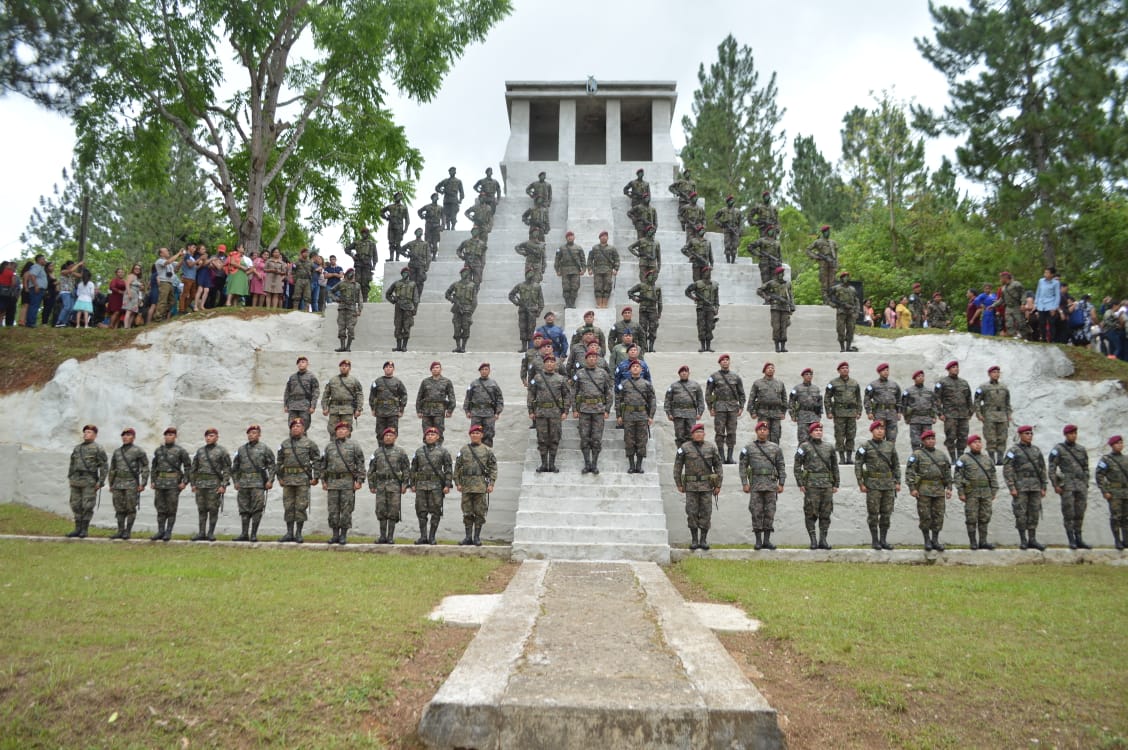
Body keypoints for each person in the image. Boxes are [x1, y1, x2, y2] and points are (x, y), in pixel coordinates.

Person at [674, 423, 723, 551]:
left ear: (704, 434)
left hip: (707, 487)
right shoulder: (684, 448)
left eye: (701, 432)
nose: (699, 434)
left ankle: (703, 540)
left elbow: (718, 466)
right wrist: (678, 483)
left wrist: (718, 484)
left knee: (706, 513)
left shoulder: (711, 447)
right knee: (691, 513)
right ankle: (694, 540)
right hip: (690, 487)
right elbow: (677, 467)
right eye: (696, 432)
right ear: (692, 434)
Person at [740, 421, 787, 550]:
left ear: (768, 432)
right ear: (756, 431)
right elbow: (743, 466)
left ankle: (767, 541)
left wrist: (781, 483)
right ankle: (758, 541)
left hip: (771, 485)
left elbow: (781, 466)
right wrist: (745, 483)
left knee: (770, 513)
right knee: (756, 512)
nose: (762, 431)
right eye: (760, 429)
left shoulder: (775, 448)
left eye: (765, 430)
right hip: (755, 485)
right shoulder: (748, 448)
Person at [274, 418, 320, 543]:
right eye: (293, 426)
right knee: (288, 506)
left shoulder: (309, 444)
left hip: (302, 479)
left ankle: (298, 533)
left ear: (303, 429)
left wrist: (316, 477)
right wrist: (280, 477)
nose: (295, 428)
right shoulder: (284, 444)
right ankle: (289, 533)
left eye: (298, 426)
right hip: (288, 479)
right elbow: (279, 462)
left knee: (300, 506)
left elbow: (316, 460)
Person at [794, 422, 839, 550]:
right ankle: (813, 540)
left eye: (820, 430)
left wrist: (836, 483)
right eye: (816, 430)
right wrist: (800, 483)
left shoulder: (829, 447)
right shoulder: (804, 447)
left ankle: (823, 540)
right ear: (811, 432)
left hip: (826, 485)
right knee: (810, 513)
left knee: (826, 513)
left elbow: (834, 466)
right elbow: (797, 465)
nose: (818, 432)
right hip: (811, 485)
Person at [906, 429, 952, 551]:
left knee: (938, 515)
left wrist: (949, 488)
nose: (931, 441)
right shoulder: (917, 455)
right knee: (925, 515)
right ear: (923, 441)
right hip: (924, 489)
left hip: (939, 490)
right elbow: (910, 472)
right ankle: (927, 540)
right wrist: (912, 488)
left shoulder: (942, 455)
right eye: (928, 439)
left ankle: (935, 540)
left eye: (932, 439)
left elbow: (947, 473)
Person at [1003, 425, 1048, 551]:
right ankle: (1023, 540)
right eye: (1027, 433)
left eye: (1031, 433)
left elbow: (1042, 468)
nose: (1029, 436)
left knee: (1034, 513)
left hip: (1035, 486)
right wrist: (1011, 487)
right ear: (1021, 435)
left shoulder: (1036, 450)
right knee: (1021, 513)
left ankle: (1032, 540)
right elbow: (1008, 470)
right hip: (1020, 486)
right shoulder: (1013, 451)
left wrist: (1044, 486)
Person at [319, 421, 364, 545]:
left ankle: (343, 535)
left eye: (344, 429)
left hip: (347, 482)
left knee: (346, 509)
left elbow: (360, 464)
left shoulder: (354, 446)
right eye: (339, 430)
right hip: (332, 482)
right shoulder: (329, 447)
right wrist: (323, 481)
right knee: (333, 510)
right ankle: (334, 535)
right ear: (335, 432)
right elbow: (323, 465)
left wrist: (359, 481)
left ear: (348, 432)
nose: (341, 431)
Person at [1048, 424, 1092, 549]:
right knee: (1069, 513)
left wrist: (1086, 482)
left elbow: (1085, 467)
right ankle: (1071, 539)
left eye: (1075, 433)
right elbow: (1052, 468)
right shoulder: (1059, 449)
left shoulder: (1081, 449)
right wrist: (1055, 484)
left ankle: (1079, 538)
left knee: (1080, 512)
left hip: (1080, 485)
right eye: (1071, 433)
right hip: (1067, 486)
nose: (1074, 436)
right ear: (1066, 435)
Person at [454, 425, 497, 546]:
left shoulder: (487, 451)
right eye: (473, 433)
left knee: (479, 512)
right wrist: (457, 483)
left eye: (477, 433)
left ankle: (477, 537)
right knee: (467, 512)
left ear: (482, 435)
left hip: (480, 485)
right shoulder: (463, 450)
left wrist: (491, 483)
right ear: (470, 435)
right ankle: (468, 537)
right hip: (466, 485)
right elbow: (457, 467)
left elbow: (493, 468)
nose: (475, 435)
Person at [528, 354, 572, 473]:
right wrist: (531, 410)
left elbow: (567, 395)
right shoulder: (537, 378)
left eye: (552, 362)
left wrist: (565, 411)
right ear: (544, 364)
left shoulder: (561, 379)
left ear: (555, 364)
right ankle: (543, 464)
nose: (549, 364)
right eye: (547, 362)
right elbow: (531, 394)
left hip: (555, 413)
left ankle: (551, 464)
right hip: (541, 413)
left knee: (554, 438)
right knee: (542, 439)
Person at [573, 349, 614, 474]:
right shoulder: (579, 374)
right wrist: (575, 409)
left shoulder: (603, 373)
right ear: (586, 359)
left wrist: (607, 409)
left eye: (594, 357)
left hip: (598, 410)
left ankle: (594, 464)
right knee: (585, 438)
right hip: (584, 410)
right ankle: (587, 464)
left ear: (597, 359)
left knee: (596, 438)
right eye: (589, 357)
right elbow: (573, 392)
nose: (592, 359)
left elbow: (608, 392)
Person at [366, 426, 410, 544]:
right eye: (386, 435)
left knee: (393, 511)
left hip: (395, 486)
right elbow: (371, 470)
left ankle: (390, 537)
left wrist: (405, 484)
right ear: (383, 437)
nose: (388, 437)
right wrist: (371, 485)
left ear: (395, 438)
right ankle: (382, 536)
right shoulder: (377, 452)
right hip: (381, 486)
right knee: (381, 511)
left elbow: (406, 469)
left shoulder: (400, 452)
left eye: (391, 435)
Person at [231, 424, 275, 542]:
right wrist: (235, 481)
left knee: (257, 509)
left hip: (258, 483)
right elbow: (235, 467)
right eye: (249, 433)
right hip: (244, 483)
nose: (251, 435)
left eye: (254, 433)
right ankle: (244, 533)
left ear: (259, 435)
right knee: (244, 509)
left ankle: (254, 534)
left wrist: (270, 480)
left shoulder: (264, 448)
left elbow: (272, 466)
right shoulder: (241, 449)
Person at [953, 434, 998, 550]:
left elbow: (993, 476)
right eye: (974, 442)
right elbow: (958, 476)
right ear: (969, 445)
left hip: (986, 493)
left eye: (979, 442)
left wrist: (994, 491)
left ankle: (983, 541)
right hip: (971, 493)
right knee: (971, 518)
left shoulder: (987, 459)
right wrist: (961, 492)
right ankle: (973, 542)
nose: (978, 444)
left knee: (985, 517)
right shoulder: (963, 459)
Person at [411, 426, 453, 544]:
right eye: (428, 435)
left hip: (436, 486)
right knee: (421, 511)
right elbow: (413, 469)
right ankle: (423, 536)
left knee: (436, 511)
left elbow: (448, 469)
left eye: (433, 435)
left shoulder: (443, 452)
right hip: (421, 485)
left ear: (438, 437)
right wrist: (412, 484)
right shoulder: (419, 451)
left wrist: (447, 485)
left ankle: (432, 537)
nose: (430, 436)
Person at [149, 427, 192, 541]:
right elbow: (154, 467)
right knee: (160, 509)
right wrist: (153, 480)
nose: (168, 437)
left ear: (175, 437)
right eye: (167, 435)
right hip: (160, 484)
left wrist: (185, 482)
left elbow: (188, 467)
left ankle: (168, 532)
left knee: (171, 509)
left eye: (171, 435)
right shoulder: (158, 451)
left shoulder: (180, 451)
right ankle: (160, 531)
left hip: (173, 484)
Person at [66, 424, 109, 538]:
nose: (86, 434)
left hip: (89, 480)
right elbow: (72, 464)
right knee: (75, 504)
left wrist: (100, 481)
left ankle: (84, 529)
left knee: (87, 505)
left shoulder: (98, 448)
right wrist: (70, 477)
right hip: (76, 480)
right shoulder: (77, 448)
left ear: (95, 435)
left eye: (89, 432)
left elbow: (104, 466)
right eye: (85, 432)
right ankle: (77, 528)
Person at [189, 427, 231, 542]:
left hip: (214, 484)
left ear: (217, 437)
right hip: (201, 485)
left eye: (211, 436)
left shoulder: (222, 451)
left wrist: (223, 485)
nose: (208, 438)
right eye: (207, 436)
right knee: (201, 509)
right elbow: (194, 468)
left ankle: (210, 533)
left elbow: (227, 469)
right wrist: (193, 483)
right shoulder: (200, 451)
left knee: (213, 509)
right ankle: (201, 532)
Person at [107, 427, 149, 541]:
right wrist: (110, 483)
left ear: (133, 437)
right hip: (118, 483)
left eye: (128, 435)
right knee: (119, 508)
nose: (125, 437)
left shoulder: (138, 451)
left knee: (130, 508)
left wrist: (143, 483)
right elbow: (112, 468)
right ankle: (120, 530)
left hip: (131, 483)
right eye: (124, 435)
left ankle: (128, 531)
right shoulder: (117, 452)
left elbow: (145, 467)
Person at [616, 359, 656, 474]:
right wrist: (619, 415)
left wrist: (651, 416)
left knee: (642, 440)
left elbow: (652, 400)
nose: (635, 368)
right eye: (633, 367)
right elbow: (618, 399)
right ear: (629, 370)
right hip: (628, 415)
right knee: (629, 440)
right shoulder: (623, 384)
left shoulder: (647, 384)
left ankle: (639, 465)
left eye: (637, 367)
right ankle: (631, 465)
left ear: (641, 369)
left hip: (642, 415)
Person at [706, 354, 745, 464]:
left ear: (729, 362)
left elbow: (741, 393)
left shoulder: (736, 377)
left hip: (733, 408)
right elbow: (708, 393)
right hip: (719, 407)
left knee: (732, 432)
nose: (725, 362)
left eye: (727, 360)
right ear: (720, 363)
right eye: (723, 360)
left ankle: (730, 457)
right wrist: (710, 407)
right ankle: (721, 457)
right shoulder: (713, 377)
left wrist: (741, 406)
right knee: (719, 432)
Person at [973, 365, 1012, 465]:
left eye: (998, 372)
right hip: (989, 415)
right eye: (994, 372)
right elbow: (977, 401)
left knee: (1002, 437)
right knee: (991, 438)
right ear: (989, 374)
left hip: (1002, 416)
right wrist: (979, 414)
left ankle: (1000, 458)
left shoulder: (1004, 387)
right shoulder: (983, 387)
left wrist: (1009, 414)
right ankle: (991, 458)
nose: (996, 374)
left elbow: (1007, 402)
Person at [825, 361, 862, 464]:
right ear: (838, 371)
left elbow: (858, 398)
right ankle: (841, 457)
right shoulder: (833, 383)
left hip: (851, 413)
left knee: (851, 435)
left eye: (846, 368)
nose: (845, 370)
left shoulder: (854, 383)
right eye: (842, 368)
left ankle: (849, 457)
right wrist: (828, 411)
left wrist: (859, 411)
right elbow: (827, 397)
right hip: (839, 413)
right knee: (840, 435)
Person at [935, 360, 974, 458]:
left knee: (963, 437)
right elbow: (937, 399)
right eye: (953, 367)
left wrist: (970, 412)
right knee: (951, 436)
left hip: (963, 415)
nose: (956, 369)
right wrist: (939, 413)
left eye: (957, 367)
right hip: (950, 415)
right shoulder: (942, 383)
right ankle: (953, 458)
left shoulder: (964, 383)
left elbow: (969, 398)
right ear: (948, 370)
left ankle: (960, 456)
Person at [1096, 435, 1128, 550]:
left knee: (1126, 517)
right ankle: (1117, 540)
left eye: (1121, 443)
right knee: (1116, 517)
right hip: (1114, 493)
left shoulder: (1126, 459)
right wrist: (1105, 491)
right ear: (1112, 445)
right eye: (1117, 443)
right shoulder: (1106, 460)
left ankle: (1126, 540)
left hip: (1126, 492)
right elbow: (1099, 476)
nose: (1119, 445)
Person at [464, 362, 505, 448]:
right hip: (476, 413)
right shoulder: (474, 383)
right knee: (475, 434)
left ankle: (487, 454)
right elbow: (468, 397)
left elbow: (499, 399)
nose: (484, 371)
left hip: (489, 414)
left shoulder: (493, 383)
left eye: (486, 369)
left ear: (489, 371)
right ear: (479, 371)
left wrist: (497, 412)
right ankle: (476, 454)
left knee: (489, 434)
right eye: (482, 369)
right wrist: (467, 411)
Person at [321, 358, 364, 438]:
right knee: (333, 430)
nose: (344, 367)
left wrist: (358, 409)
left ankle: (346, 449)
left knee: (346, 430)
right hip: (334, 409)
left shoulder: (354, 380)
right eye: (342, 366)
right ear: (339, 367)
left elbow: (359, 395)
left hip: (347, 410)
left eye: (346, 366)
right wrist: (324, 408)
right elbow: (326, 395)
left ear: (349, 368)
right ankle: (334, 448)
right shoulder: (333, 380)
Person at [665, 365, 705, 448]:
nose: (683, 373)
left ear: (688, 373)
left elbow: (700, 400)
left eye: (685, 372)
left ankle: (690, 454)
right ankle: (681, 453)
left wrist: (700, 412)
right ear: (679, 374)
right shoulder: (673, 386)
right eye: (682, 372)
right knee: (679, 435)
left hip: (691, 413)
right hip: (678, 414)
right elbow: (667, 400)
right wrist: (668, 413)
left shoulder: (695, 385)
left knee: (691, 434)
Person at [747, 362, 787, 445]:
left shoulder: (780, 383)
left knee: (776, 435)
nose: (771, 369)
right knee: (763, 434)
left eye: (772, 368)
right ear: (764, 370)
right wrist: (752, 412)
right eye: (768, 368)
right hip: (763, 413)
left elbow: (784, 398)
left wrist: (783, 412)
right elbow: (751, 398)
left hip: (776, 413)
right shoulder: (758, 383)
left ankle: (774, 454)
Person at [757, 265, 794, 353]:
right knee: (776, 327)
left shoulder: (787, 283)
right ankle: (777, 346)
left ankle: (783, 346)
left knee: (784, 327)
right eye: (779, 273)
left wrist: (792, 306)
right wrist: (767, 298)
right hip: (775, 307)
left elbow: (791, 295)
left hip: (785, 307)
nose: (781, 275)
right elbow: (759, 290)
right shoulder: (771, 283)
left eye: (782, 273)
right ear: (776, 274)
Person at [417, 360, 456, 444]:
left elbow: (451, 397)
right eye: (433, 368)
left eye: (437, 367)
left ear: (441, 369)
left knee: (439, 432)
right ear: (431, 370)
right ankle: (427, 452)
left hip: (439, 412)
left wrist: (450, 410)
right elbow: (419, 396)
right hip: (426, 412)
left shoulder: (447, 382)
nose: (435, 369)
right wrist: (419, 411)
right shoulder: (425, 382)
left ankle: (439, 451)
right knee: (427, 432)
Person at [369, 360, 409, 437]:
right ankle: (381, 449)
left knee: (392, 433)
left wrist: (401, 409)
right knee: (380, 433)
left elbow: (404, 395)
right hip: (380, 412)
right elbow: (372, 395)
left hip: (393, 412)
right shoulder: (377, 381)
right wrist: (373, 409)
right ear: (383, 369)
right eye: (386, 367)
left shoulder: (398, 382)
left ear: (393, 369)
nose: (388, 368)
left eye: (390, 367)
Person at [627, 268, 663, 353]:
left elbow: (660, 302)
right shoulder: (641, 286)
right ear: (647, 277)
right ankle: (644, 347)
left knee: (653, 329)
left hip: (653, 311)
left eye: (653, 276)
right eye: (650, 276)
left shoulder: (657, 289)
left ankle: (651, 347)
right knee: (642, 329)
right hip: (643, 310)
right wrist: (635, 299)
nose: (652, 278)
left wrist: (659, 312)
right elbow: (630, 292)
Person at [864, 363, 902, 444]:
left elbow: (899, 399)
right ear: (879, 372)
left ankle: (890, 455)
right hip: (879, 413)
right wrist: (869, 412)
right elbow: (867, 398)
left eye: (887, 370)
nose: (886, 372)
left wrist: (899, 412)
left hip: (892, 414)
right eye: (883, 370)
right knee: (879, 436)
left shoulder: (894, 385)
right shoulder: (873, 385)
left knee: (892, 437)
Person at [685, 265, 720, 353]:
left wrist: (716, 308)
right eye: (706, 272)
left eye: (709, 272)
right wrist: (694, 298)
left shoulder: (714, 285)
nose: (708, 273)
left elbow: (716, 298)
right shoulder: (697, 284)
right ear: (703, 273)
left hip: (710, 308)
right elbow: (687, 291)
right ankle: (702, 346)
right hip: (701, 308)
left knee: (709, 326)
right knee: (701, 326)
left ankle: (708, 346)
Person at [508, 270, 544, 353]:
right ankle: (524, 347)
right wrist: (516, 303)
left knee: (531, 328)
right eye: (528, 274)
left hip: (532, 311)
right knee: (523, 328)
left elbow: (541, 300)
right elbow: (511, 295)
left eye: (531, 274)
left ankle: (531, 347)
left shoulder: (537, 286)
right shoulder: (520, 285)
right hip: (523, 310)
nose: (530, 275)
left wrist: (539, 310)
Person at [445, 266, 479, 353]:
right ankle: (458, 346)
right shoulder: (455, 284)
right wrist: (453, 300)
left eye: (466, 272)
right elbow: (447, 294)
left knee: (466, 328)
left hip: (467, 310)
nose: (465, 274)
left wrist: (471, 311)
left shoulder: (472, 286)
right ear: (461, 274)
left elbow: (474, 300)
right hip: (457, 309)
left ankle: (463, 347)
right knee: (457, 327)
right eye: (463, 273)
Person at [902, 369, 937, 450]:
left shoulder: (929, 391)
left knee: (928, 441)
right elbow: (904, 405)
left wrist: (934, 416)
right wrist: (906, 418)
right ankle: (916, 457)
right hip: (914, 419)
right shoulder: (908, 391)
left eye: (922, 376)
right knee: (915, 442)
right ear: (914, 378)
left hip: (927, 419)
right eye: (918, 376)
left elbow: (934, 404)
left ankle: (927, 459)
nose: (921, 378)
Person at [284, 356, 321, 432]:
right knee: (292, 426)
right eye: (299, 362)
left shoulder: (311, 376)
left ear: (307, 364)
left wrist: (313, 406)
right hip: (293, 405)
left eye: (303, 362)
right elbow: (287, 391)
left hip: (304, 405)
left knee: (304, 426)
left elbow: (315, 392)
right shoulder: (292, 377)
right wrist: (285, 405)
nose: (301, 364)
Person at [386, 267, 418, 352]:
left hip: (408, 308)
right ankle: (398, 346)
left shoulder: (413, 284)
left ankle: (404, 346)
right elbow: (388, 294)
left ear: (409, 274)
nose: (405, 274)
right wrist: (393, 301)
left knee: (407, 327)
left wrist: (415, 310)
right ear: (401, 274)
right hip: (399, 307)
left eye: (406, 273)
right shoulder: (397, 283)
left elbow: (416, 298)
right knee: (398, 326)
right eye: (403, 273)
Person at [788, 367, 823, 445]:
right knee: (803, 439)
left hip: (814, 417)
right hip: (802, 417)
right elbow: (791, 401)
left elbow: (820, 401)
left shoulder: (816, 388)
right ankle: (801, 456)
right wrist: (793, 415)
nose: (809, 376)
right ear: (803, 376)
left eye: (810, 374)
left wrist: (820, 414)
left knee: (815, 439)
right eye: (806, 374)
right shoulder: (797, 388)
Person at [827, 271, 859, 352]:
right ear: (841, 279)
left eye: (848, 277)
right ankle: (842, 348)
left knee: (851, 329)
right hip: (841, 312)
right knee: (840, 329)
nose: (846, 278)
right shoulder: (836, 288)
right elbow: (828, 297)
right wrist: (833, 304)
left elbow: (856, 301)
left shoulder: (852, 289)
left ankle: (848, 347)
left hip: (851, 312)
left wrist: (857, 312)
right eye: (845, 277)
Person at [587, 230, 620, 309]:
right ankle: (599, 303)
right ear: (599, 238)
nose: (604, 237)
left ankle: (604, 304)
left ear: (607, 238)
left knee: (607, 286)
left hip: (608, 270)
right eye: (602, 236)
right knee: (598, 286)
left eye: (605, 236)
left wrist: (616, 269)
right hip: (597, 270)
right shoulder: (595, 248)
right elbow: (590, 259)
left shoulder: (612, 248)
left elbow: (617, 259)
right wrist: (589, 269)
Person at [805, 225, 839, 301]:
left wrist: (836, 264)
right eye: (826, 232)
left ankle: (831, 298)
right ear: (823, 232)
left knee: (832, 282)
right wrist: (816, 257)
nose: (828, 233)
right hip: (823, 263)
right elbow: (808, 250)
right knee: (824, 282)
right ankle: (826, 299)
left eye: (829, 231)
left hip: (832, 263)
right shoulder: (818, 242)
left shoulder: (833, 242)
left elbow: (836, 255)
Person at [554, 231, 587, 309]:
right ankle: (567, 304)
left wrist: (584, 269)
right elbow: (557, 260)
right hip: (565, 271)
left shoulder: (578, 248)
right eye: (568, 236)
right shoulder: (561, 248)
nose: (570, 237)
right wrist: (557, 270)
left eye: (571, 236)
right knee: (566, 288)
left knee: (575, 287)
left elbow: (583, 260)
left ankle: (572, 303)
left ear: (574, 237)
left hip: (575, 271)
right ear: (566, 238)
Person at [343, 228, 377, 300]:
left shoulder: (372, 243)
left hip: (367, 263)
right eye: (363, 233)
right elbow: (347, 249)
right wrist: (352, 256)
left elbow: (375, 255)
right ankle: (357, 298)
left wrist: (374, 265)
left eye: (365, 233)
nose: (364, 234)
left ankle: (365, 298)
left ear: (368, 234)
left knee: (365, 281)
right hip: (358, 263)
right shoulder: (357, 242)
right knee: (358, 281)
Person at [153, 246, 185, 321]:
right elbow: (168, 262)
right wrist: (178, 253)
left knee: (173, 301)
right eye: (166, 251)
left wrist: (183, 258)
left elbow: (177, 266)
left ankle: (162, 314)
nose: (168, 252)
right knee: (163, 300)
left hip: (170, 283)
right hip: (164, 282)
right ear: (161, 254)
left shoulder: (170, 262)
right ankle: (158, 318)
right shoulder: (159, 261)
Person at [334, 268, 362, 351]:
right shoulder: (341, 284)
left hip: (352, 309)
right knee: (341, 328)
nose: (351, 274)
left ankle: (348, 347)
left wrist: (359, 309)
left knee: (351, 328)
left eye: (353, 273)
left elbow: (360, 299)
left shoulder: (357, 285)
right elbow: (330, 291)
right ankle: (342, 346)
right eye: (350, 273)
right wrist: (336, 298)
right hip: (342, 309)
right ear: (346, 274)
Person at [1033, 266, 1061, 343]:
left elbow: (1057, 296)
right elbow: (1038, 293)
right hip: (1041, 305)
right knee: (1042, 323)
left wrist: (1054, 307)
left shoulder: (1056, 283)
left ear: (1052, 274)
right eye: (1045, 272)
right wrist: (1036, 304)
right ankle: (1043, 338)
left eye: (1047, 273)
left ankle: (1052, 339)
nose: (1045, 274)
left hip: (1050, 305)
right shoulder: (1041, 281)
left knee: (1051, 323)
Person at [714, 195, 744, 264]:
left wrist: (740, 231)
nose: (731, 202)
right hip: (727, 230)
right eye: (729, 201)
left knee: (734, 247)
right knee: (727, 247)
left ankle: (733, 261)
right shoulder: (723, 210)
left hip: (735, 230)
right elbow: (715, 218)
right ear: (727, 202)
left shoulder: (737, 211)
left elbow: (741, 222)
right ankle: (728, 261)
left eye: (732, 200)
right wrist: (721, 224)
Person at [381, 192, 410, 262]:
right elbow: (381, 212)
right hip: (391, 227)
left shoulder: (404, 208)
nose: (398, 197)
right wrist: (386, 217)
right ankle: (391, 257)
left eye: (400, 196)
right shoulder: (390, 206)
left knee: (398, 243)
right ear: (395, 197)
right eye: (397, 196)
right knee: (391, 243)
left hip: (399, 227)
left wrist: (405, 229)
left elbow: (407, 220)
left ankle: (397, 258)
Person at [23, 254, 48, 327]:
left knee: (35, 305)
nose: (45, 261)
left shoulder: (40, 268)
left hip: (40, 289)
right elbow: (32, 275)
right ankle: (31, 323)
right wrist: (36, 285)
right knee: (34, 305)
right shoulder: (36, 266)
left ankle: (31, 322)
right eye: (43, 259)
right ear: (39, 260)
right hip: (36, 289)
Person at [418, 194, 444, 260]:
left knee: (435, 242)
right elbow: (419, 211)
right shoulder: (427, 207)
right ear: (432, 198)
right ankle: (429, 255)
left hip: (436, 226)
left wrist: (442, 225)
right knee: (428, 242)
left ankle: (434, 256)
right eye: (434, 197)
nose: (435, 198)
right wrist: (422, 217)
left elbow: (443, 217)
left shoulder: (440, 208)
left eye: (436, 197)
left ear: (438, 198)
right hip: (429, 226)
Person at [290, 247, 313, 311]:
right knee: (296, 296)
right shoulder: (296, 262)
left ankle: (306, 310)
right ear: (302, 253)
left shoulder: (310, 263)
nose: (306, 254)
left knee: (307, 297)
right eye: (305, 252)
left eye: (307, 252)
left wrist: (311, 278)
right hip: (299, 280)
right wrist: (295, 279)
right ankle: (295, 309)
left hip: (307, 280)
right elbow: (293, 271)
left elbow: (313, 271)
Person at [122, 263, 144, 329]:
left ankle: (129, 327)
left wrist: (141, 287)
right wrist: (129, 293)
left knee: (133, 312)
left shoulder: (136, 277)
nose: (137, 270)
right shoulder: (131, 275)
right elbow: (127, 284)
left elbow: (136, 286)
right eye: (136, 268)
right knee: (128, 311)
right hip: (130, 294)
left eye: (139, 269)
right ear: (133, 269)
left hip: (135, 295)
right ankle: (126, 327)